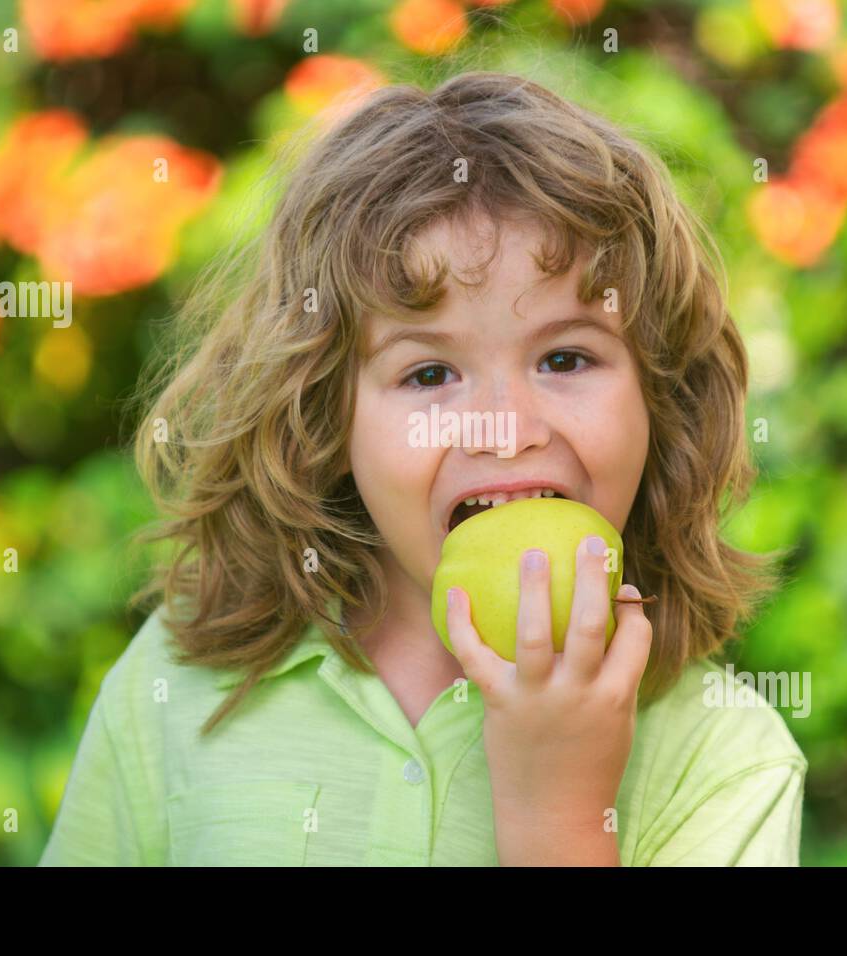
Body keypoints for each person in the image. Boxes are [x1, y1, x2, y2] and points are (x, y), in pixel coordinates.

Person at [39, 70, 806, 866]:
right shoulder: (176, 688)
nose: (505, 431)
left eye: (567, 357)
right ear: (325, 418)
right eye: (430, 375)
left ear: (662, 397)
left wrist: (560, 815)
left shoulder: (722, 760)